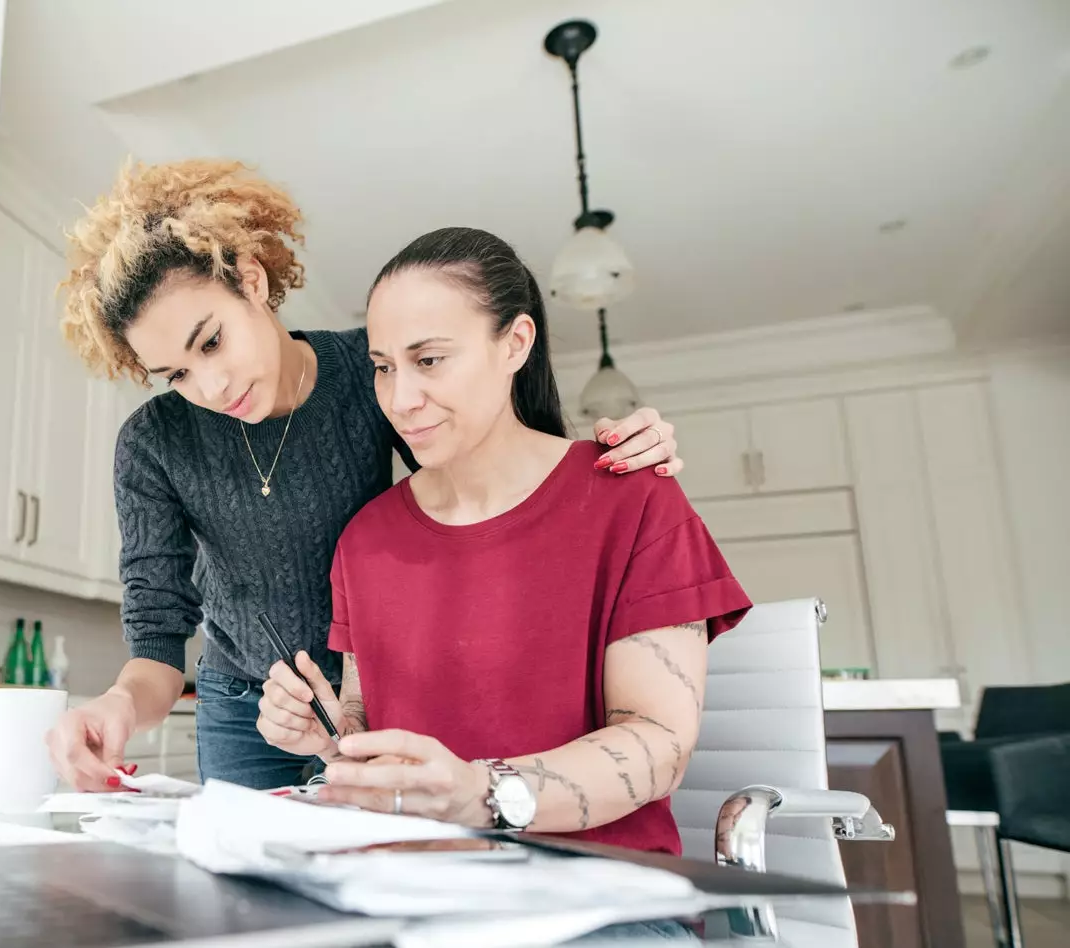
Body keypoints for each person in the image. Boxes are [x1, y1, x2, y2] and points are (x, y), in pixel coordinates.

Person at [46, 160, 691, 793]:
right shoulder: (155, 443)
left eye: (211, 342)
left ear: (249, 281)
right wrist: (119, 707)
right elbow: (157, 635)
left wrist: (596, 469)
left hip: (389, 687)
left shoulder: (375, 372)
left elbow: (480, 485)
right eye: (177, 374)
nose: (209, 386)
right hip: (253, 707)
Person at [255, 227, 751, 865]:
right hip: (407, 888)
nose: (400, 399)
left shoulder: (633, 499)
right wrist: (328, 734)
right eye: (384, 368)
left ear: (515, 343)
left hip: (598, 894)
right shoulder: (366, 539)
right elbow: (363, 716)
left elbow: (657, 745)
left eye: (429, 360)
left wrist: (482, 793)